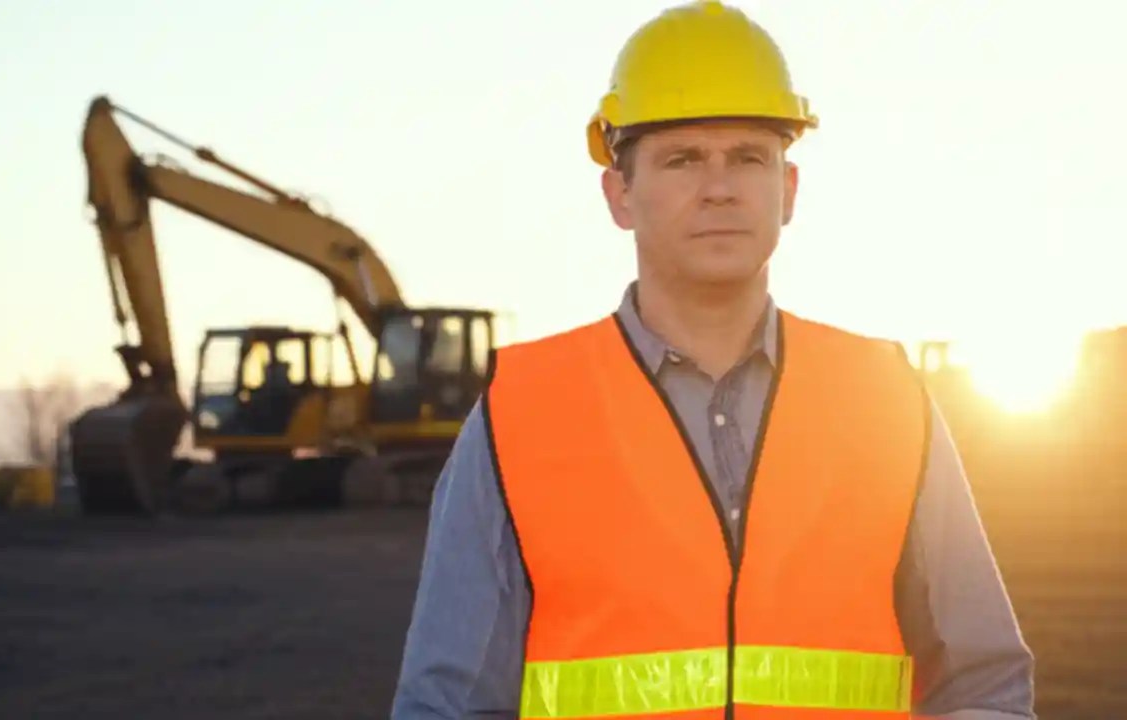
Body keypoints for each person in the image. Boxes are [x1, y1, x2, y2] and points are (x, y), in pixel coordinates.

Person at [390, 2, 1036, 718]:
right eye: (683, 158)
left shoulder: (886, 399)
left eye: (750, 157)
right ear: (619, 194)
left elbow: (982, 687)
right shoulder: (521, 415)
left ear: (787, 192)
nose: (720, 186)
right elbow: (446, 703)